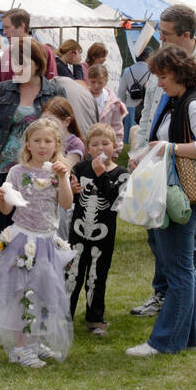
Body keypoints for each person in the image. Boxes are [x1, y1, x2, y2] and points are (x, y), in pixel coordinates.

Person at [131, 5, 196, 315]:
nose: (160, 39)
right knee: (157, 231)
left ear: (186, 35)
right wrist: (140, 152)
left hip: (189, 167)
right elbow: (149, 112)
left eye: (166, 34)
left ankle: (192, 298)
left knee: (193, 236)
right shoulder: (162, 65)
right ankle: (164, 293)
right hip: (157, 164)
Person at [127, 44, 196, 356]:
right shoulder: (177, 101)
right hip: (176, 192)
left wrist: (170, 149)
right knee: (182, 268)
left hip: (182, 196)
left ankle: (165, 341)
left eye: (163, 76)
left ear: (179, 74)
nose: (159, 82)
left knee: (178, 269)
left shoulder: (192, 104)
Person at [0, 117, 74, 368]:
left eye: (48, 141)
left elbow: (66, 204)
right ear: (27, 144)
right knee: (21, 294)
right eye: (37, 141)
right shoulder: (17, 172)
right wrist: (1, 198)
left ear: (56, 144)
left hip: (47, 242)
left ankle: (35, 340)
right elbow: (6, 209)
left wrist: (63, 178)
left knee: (42, 292)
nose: (42, 146)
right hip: (23, 241)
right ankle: (20, 347)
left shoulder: (58, 171)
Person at [0, 39, 64, 268]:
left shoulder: (54, 90)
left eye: (22, 62)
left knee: (30, 229)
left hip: (37, 171)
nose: (16, 67)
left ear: (37, 63)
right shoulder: (4, 89)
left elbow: (63, 132)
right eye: (13, 62)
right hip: (0, 167)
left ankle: (27, 281)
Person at [65, 123, 129, 336]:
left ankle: (95, 317)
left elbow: (115, 201)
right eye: (95, 144)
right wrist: (72, 190)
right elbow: (70, 197)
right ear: (87, 148)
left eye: (105, 143)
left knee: (97, 275)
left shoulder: (121, 174)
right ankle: (64, 315)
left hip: (103, 235)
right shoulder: (80, 169)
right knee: (72, 274)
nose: (101, 148)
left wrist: (101, 176)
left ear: (115, 146)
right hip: (78, 231)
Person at [0, 9, 58, 82]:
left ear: (22, 26)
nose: (4, 32)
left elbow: (52, 84)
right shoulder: (6, 53)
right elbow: (1, 85)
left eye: (7, 27)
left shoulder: (44, 51)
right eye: (3, 28)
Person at [86, 64, 126, 140]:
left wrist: (117, 145)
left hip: (106, 141)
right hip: (88, 141)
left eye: (100, 82)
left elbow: (117, 125)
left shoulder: (113, 102)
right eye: (93, 82)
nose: (96, 86)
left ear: (106, 81)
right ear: (88, 80)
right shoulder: (84, 97)